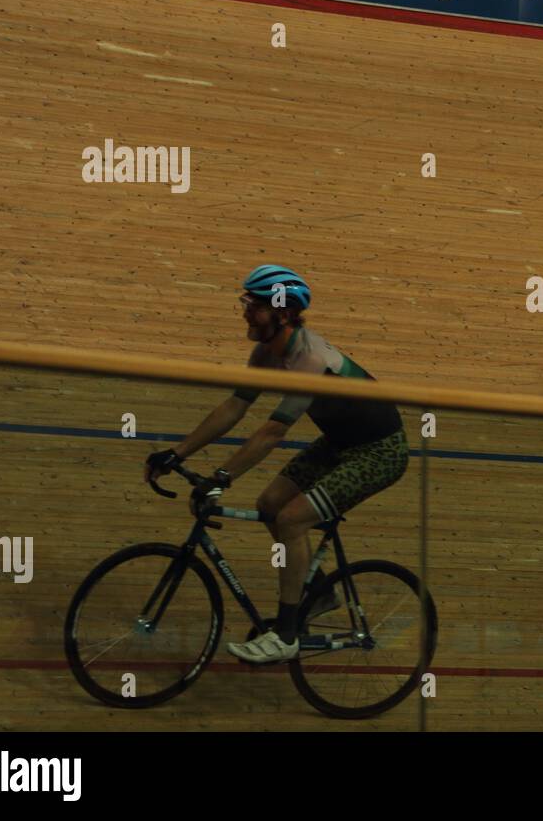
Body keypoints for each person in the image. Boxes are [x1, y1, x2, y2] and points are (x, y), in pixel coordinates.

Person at [143, 265, 408, 663]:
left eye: (254, 305)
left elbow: (272, 432)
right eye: (246, 302)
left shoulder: (311, 359)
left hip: (378, 452)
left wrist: (221, 478)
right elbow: (234, 407)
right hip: (340, 442)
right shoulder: (267, 352)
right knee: (269, 504)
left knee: (292, 520)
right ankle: (319, 593)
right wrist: (178, 453)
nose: (245, 312)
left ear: (282, 313)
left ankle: (286, 635)